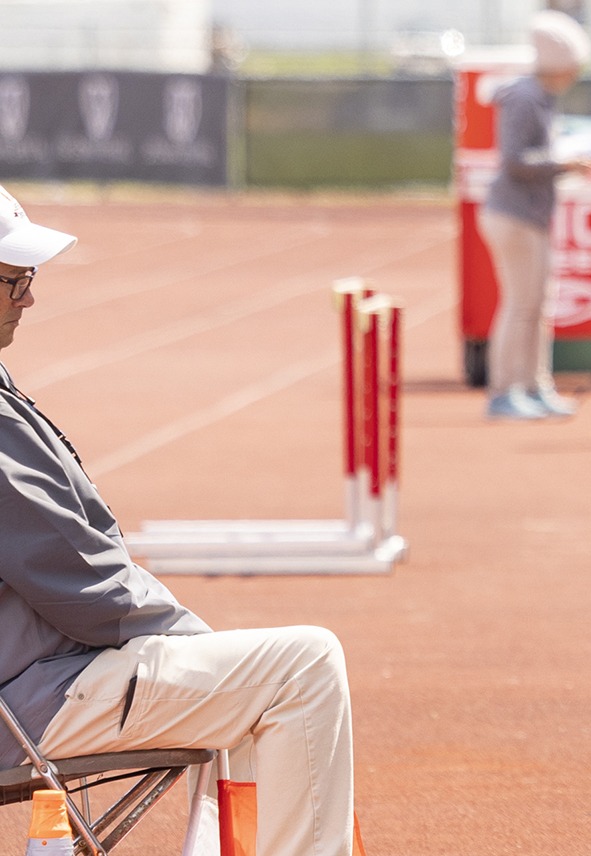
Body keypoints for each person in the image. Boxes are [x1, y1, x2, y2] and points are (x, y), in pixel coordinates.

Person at [0, 187, 356, 856]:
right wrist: (193, 635)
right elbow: (87, 588)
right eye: (14, 279)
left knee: (250, 679)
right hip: (32, 700)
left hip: (35, 681)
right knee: (303, 666)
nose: (30, 297)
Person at [481, 10, 591, 422]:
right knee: (520, 304)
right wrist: (564, 164)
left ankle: (534, 384)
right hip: (513, 214)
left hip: (532, 214)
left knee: (537, 305)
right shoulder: (524, 97)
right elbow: (515, 160)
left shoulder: (540, 97)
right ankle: (504, 389)